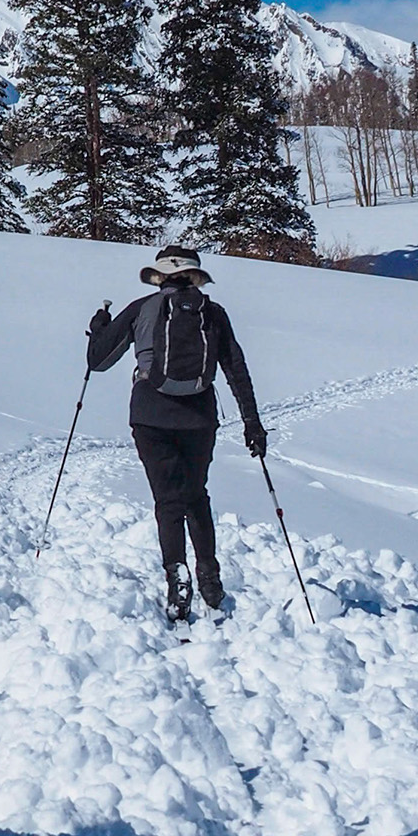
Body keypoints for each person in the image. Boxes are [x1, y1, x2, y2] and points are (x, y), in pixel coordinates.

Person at [85, 244, 267, 624]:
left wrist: (99, 328)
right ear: (196, 276)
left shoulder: (141, 309)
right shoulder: (213, 314)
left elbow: (98, 361)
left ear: (159, 276)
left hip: (150, 416)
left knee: (168, 501)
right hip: (199, 419)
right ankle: (210, 576)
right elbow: (237, 370)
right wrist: (252, 423)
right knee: (196, 494)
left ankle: (177, 578)